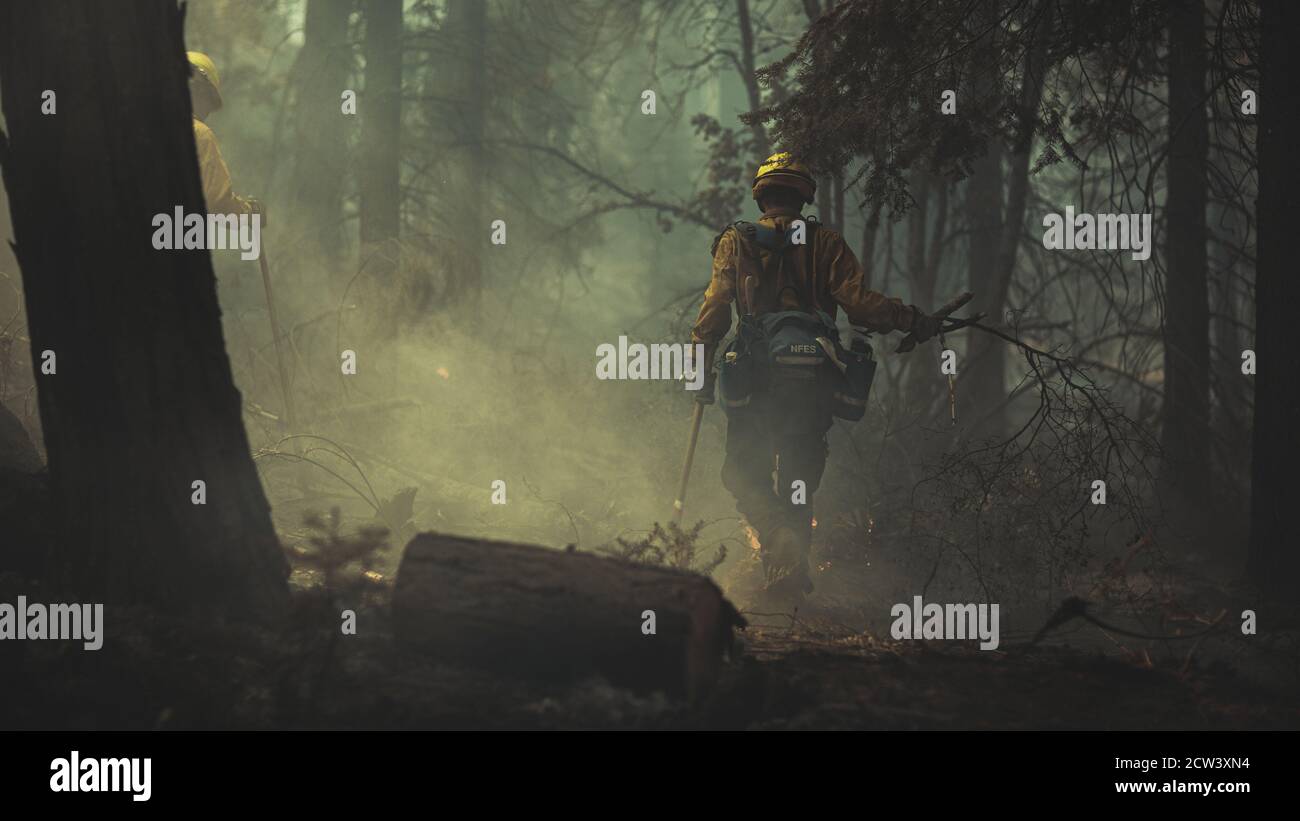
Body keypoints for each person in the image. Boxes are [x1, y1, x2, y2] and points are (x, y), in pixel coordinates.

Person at [691, 152, 941, 600]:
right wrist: (911, 318)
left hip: (755, 378)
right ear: (804, 196)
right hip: (815, 380)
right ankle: (789, 565)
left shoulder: (736, 240)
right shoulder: (825, 241)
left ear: (763, 195)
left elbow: (715, 309)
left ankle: (776, 541)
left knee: (741, 471)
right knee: (800, 476)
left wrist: (698, 372)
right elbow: (861, 305)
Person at [186, 51, 260, 220]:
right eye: (210, 102)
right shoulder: (199, 134)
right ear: (200, 92)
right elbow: (217, 202)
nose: (208, 111)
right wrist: (250, 212)